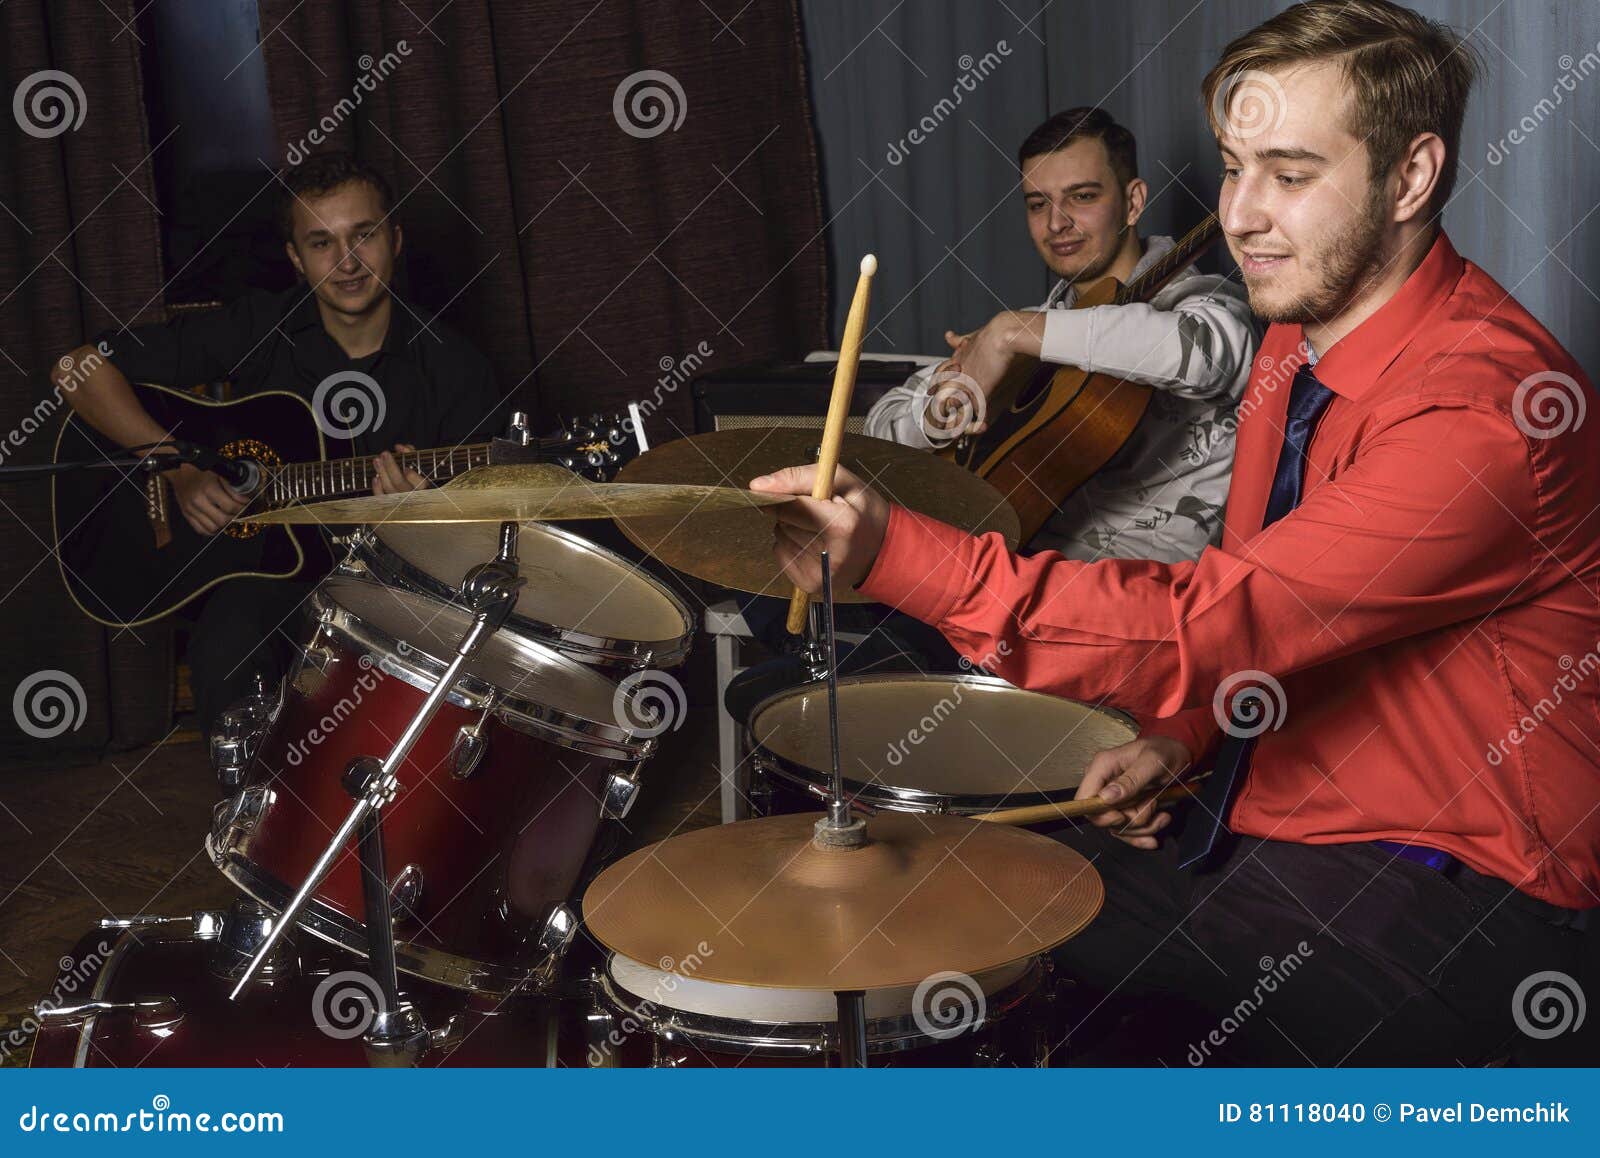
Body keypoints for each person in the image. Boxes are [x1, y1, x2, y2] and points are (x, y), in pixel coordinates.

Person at [753, 0, 1597, 1065]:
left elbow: (1218, 618)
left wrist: (897, 557)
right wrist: (1182, 738)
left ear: (1411, 177)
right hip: (1284, 821)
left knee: (975, 949)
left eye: (1289, 176)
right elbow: (1260, 605)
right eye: (1234, 167)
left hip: (1464, 890)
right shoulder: (1290, 344)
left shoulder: (1486, 411)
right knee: (919, 883)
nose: (1240, 215)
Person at [52, 153, 503, 736]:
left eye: (362, 235)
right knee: (230, 639)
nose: (345, 262)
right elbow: (74, 369)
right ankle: (248, 813)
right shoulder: (258, 327)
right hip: (274, 585)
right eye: (320, 243)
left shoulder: (455, 367)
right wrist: (176, 468)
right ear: (295, 258)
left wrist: (420, 514)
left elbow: (488, 532)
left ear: (395, 240)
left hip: (394, 593)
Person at [866, 106, 1258, 564]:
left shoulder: (1208, 302)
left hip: (1141, 595)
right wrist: (948, 406)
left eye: (1082, 197)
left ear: (1133, 202)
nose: (1056, 223)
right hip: (1009, 564)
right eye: (1038, 204)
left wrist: (1008, 332)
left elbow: (1207, 353)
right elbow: (881, 423)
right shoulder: (1029, 328)